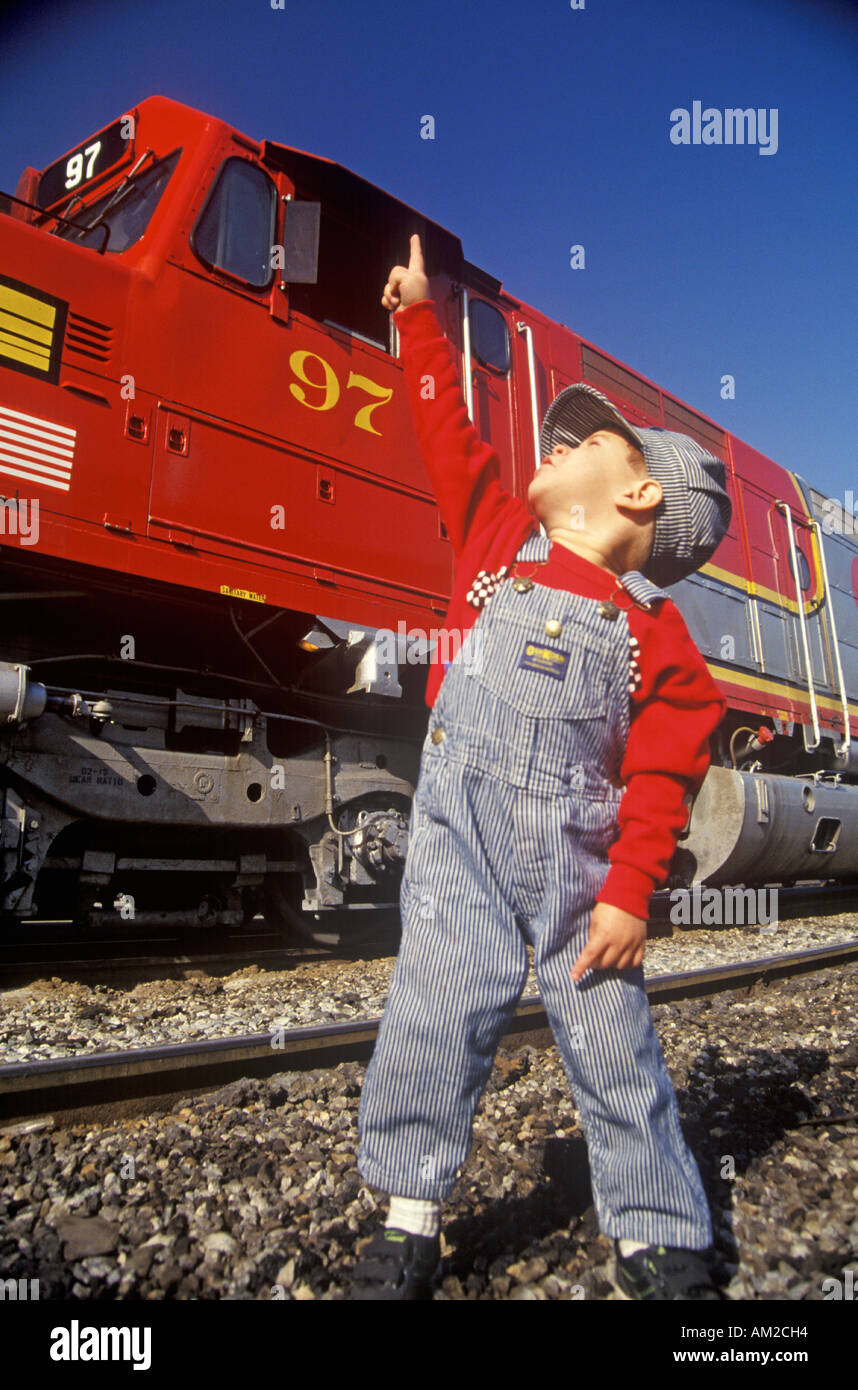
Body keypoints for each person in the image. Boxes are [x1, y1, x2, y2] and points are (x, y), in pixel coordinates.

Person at [348, 235, 730, 1300]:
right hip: (458, 844)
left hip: (579, 874)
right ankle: (409, 1219)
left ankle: (656, 1230)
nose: (550, 446)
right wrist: (416, 320)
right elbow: (444, 428)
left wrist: (631, 894)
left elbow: (662, 778)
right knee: (435, 1011)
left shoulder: (659, 638)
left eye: (582, 442)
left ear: (642, 496)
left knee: (614, 1044)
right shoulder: (494, 541)